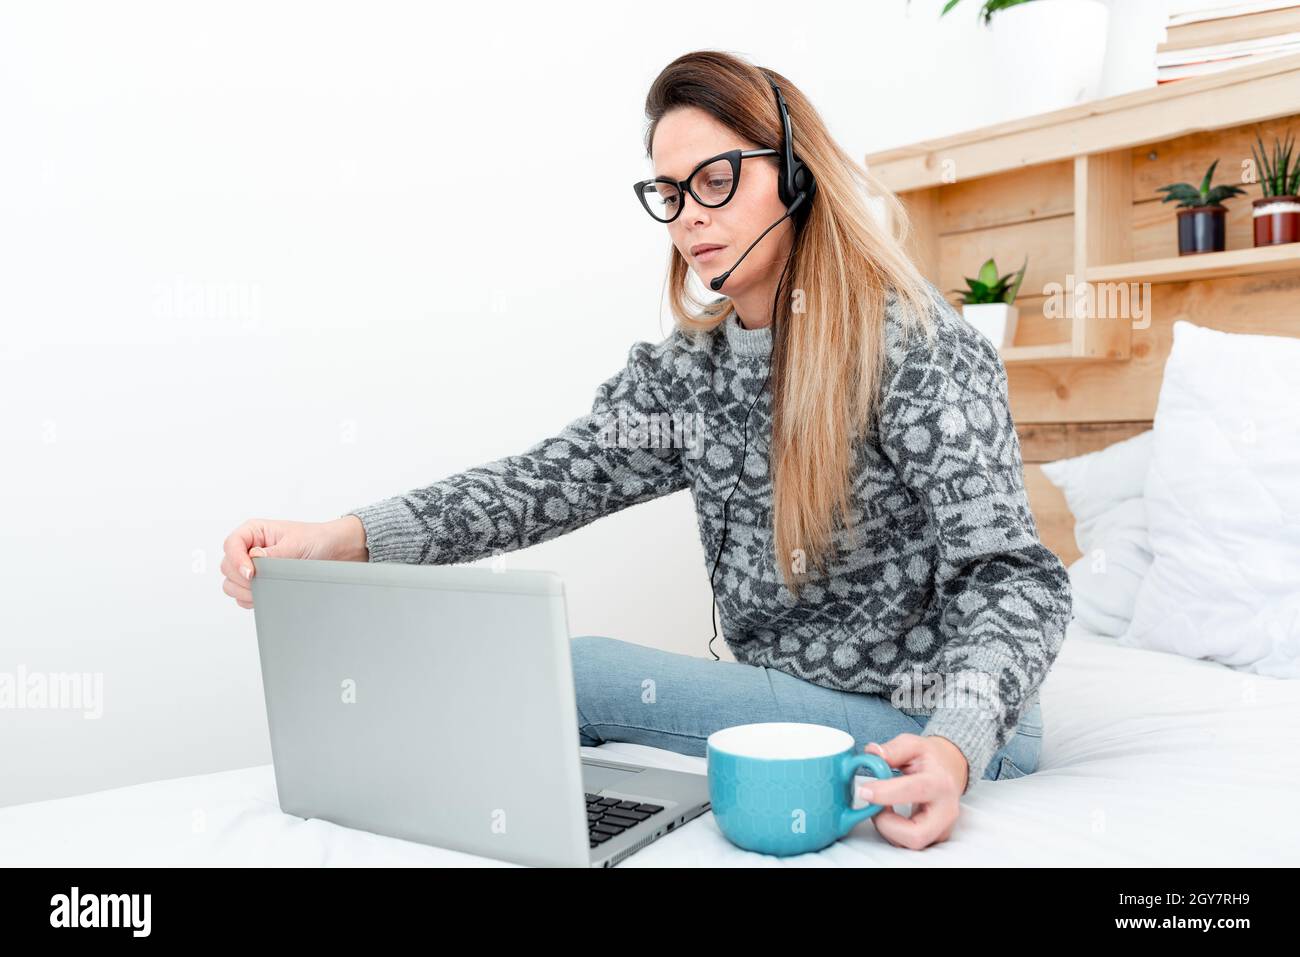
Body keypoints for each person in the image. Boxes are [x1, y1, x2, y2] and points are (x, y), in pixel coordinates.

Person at [221, 50, 1072, 851]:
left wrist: (957, 745)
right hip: (808, 709)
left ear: (797, 173)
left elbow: (1014, 575)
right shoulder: (690, 373)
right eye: (670, 191)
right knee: (547, 680)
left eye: (716, 179)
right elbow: (541, 482)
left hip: (941, 721)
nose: (692, 214)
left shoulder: (917, 347)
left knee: (576, 675)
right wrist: (345, 536)